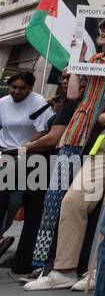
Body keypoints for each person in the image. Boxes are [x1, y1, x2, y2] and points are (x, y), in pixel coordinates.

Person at [26, 58, 105, 292]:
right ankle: (63, 270)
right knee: (73, 202)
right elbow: (104, 116)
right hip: (103, 145)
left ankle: (97, 271)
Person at [1, 71, 51, 268]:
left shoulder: (39, 103)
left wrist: (22, 148)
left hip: (26, 153)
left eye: (22, 88)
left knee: (11, 198)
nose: (17, 91)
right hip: (3, 151)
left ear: (30, 88)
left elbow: (42, 131)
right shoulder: (3, 102)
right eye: (14, 87)